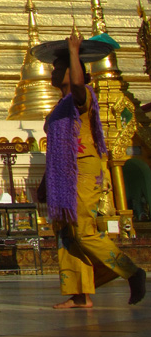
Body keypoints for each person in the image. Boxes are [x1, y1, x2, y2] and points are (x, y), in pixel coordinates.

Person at [39, 29, 146, 309]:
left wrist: (73, 53)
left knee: (84, 230)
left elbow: (77, 86)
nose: (53, 72)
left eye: (58, 68)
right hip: (61, 174)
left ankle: (131, 271)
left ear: (76, 73)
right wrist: (45, 182)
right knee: (65, 232)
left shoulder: (82, 96)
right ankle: (79, 294)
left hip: (82, 171)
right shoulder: (59, 107)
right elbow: (55, 148)